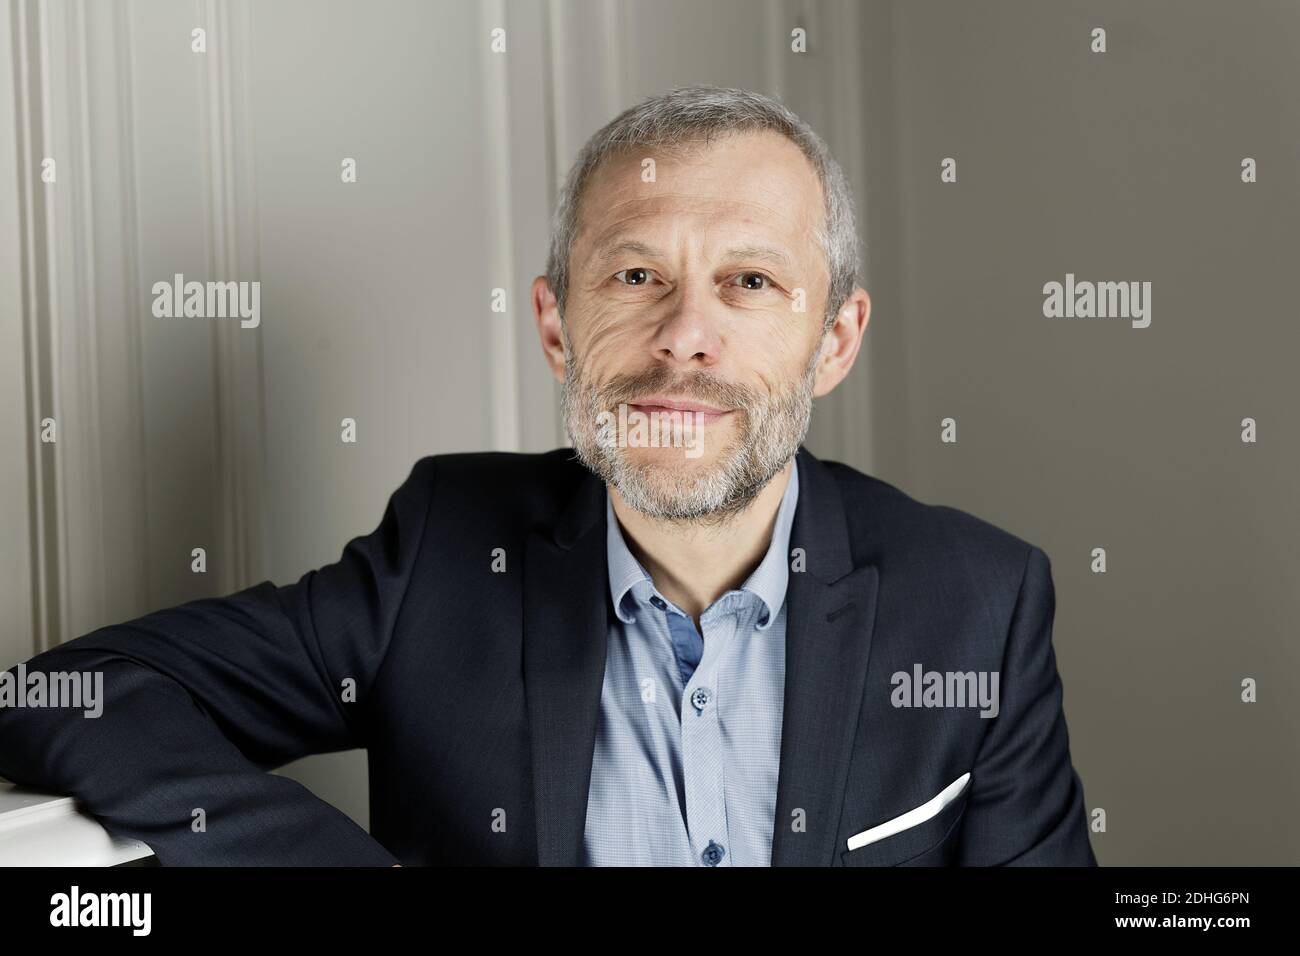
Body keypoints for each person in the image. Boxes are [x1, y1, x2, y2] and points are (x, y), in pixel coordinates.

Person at [0, 86, 1095, 866]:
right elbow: (66, 692)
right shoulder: (441, 553)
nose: (683, 338)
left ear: (836, 339)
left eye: (749, 280)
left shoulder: (976, 603)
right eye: (634, 274)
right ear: (557, 327)